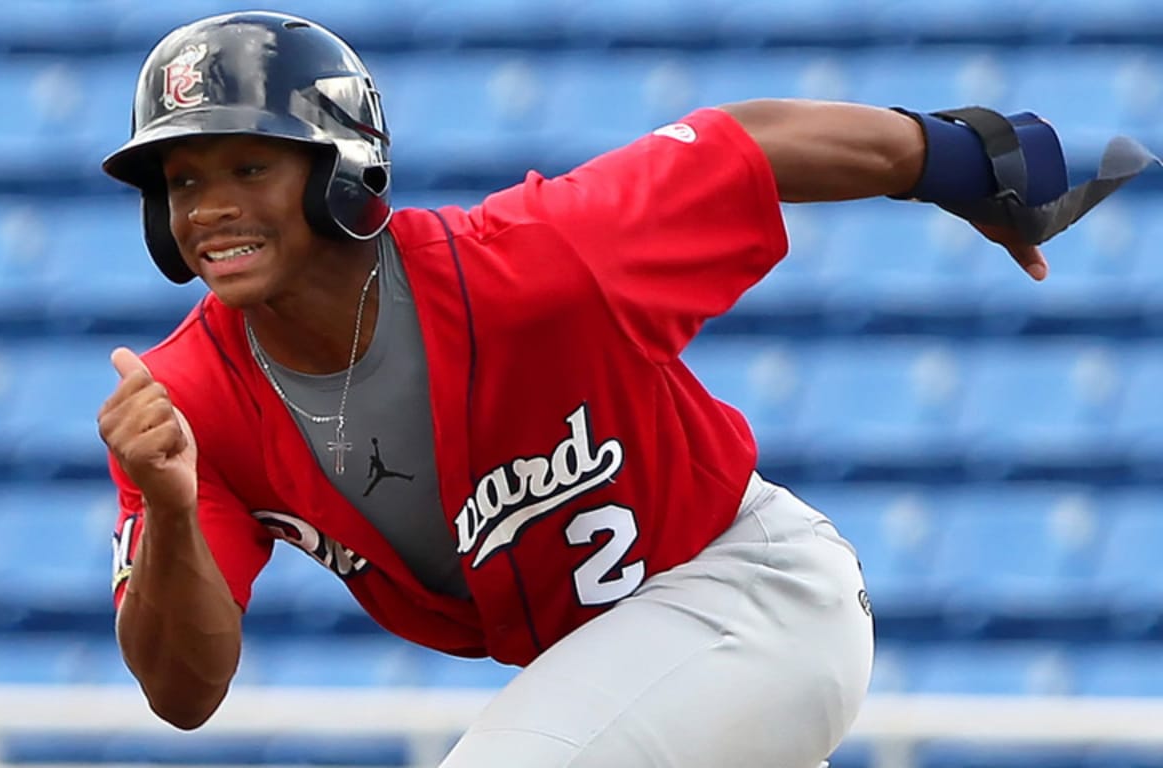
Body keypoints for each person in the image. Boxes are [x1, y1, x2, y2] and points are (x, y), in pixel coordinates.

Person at [96, 11, 1152, 767]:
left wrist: (983, 166)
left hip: (751, 596)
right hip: (636, 672)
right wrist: (177, 513)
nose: (208, 207)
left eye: (247, 167)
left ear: (340, 169)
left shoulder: (531, 261)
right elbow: (184, 695)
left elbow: (744, 147)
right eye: (183, 180)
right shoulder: (179, 401)